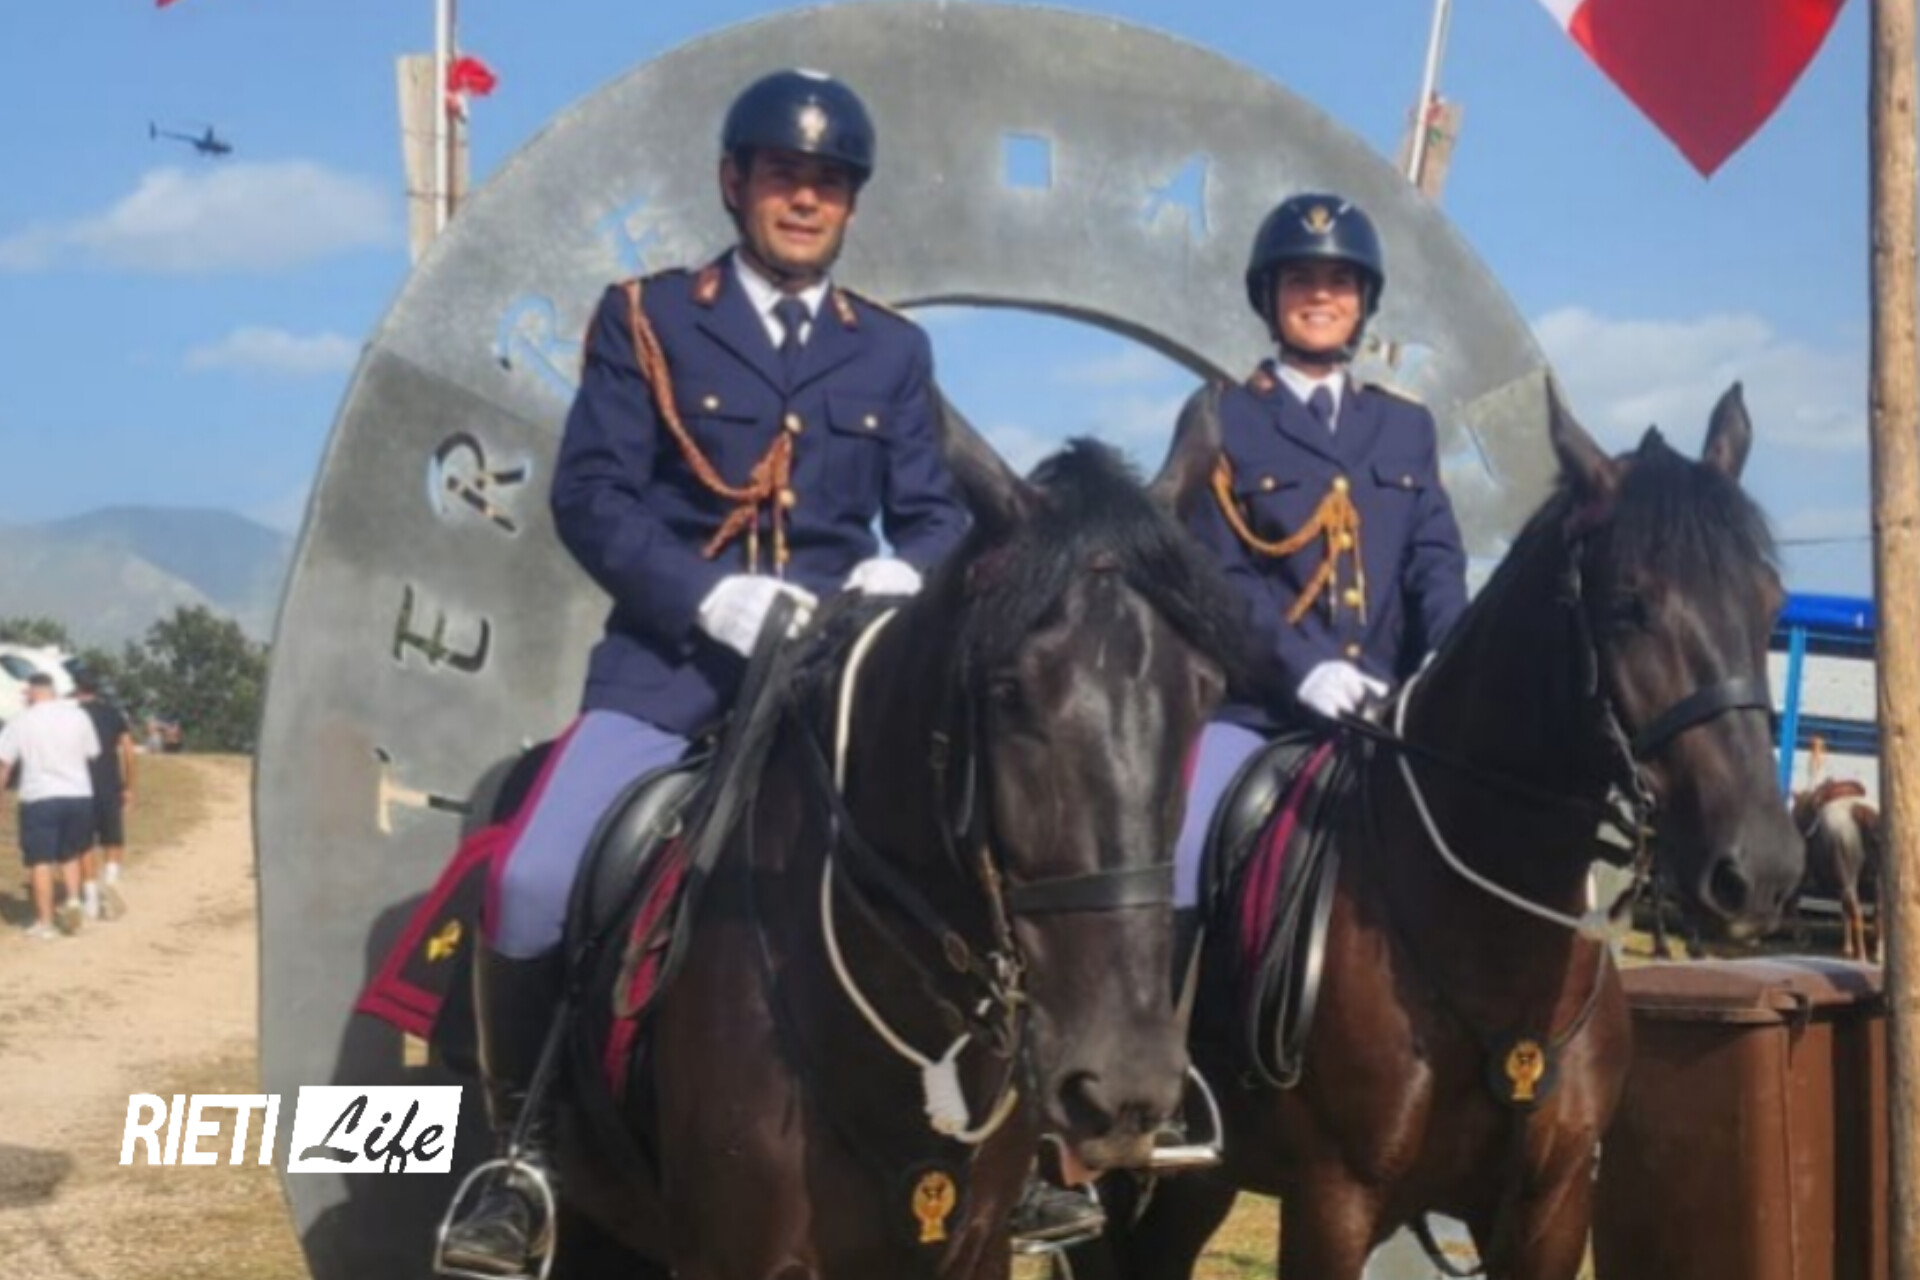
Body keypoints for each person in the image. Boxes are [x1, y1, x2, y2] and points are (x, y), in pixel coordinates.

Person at [437, 68, 983, 1277]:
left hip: (833, 688)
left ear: (852, 205)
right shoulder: (648, 317)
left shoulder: (891, 349)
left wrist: (907, 576)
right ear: (735, 184)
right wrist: (712, 595)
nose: (805, 199)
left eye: (828, 183)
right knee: (530, 878)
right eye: (785, 177)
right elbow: (591, 495)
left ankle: (1016, 1150)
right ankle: (520, 1160)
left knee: (988, 859)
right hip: (669, 677)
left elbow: (936, 516)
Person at [1171, 193, 1470, 925]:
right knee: (1182, 857)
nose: (1319, 298)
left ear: (1363, 301)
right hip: (1259, 715)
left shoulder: (1405, 427)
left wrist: (1448, 657)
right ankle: (1163, 1035)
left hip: (1389, 713)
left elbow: (1434, 559)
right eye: (1300, 281)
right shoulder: (1221, 416)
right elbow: (1217, 576)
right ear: (1269, 299)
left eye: (1337, 283)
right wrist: (1306, 669)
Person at [0, 674, 100, 939]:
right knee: (70, 853)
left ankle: (45, 922)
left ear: (32, 692)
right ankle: (73, 902)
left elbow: (4, 764)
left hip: (40, 795)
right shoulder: (78, 716)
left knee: (40, 860)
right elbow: (92, 752)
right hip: (78, 793)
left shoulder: (21, 720)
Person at [74, 671, 133, 920]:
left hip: (79, 784)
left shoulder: (72, 715)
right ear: (97, 689)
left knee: (83, 842)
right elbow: (128, 752)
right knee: (113, 839)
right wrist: (129, 786)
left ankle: (89, 897)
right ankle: (110, 879)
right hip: (109, 782)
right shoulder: (113, 714)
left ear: (77, 688)